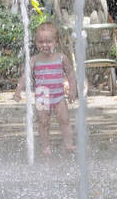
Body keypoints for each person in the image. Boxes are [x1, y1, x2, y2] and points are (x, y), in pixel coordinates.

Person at [14, 21, 76, 156]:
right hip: (42, 95)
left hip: (58, 96)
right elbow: (25, 75)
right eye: (41, 42)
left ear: (56, 42)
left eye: (49, 42)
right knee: (43, 122)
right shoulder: (35, 60)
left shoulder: (61, 58)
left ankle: (68, 143)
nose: (45, 45)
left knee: (64, 120)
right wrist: (18, 90)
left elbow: (70, 73)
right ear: (36, 43)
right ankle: (45, 147)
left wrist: (72, 90)